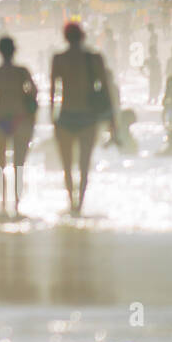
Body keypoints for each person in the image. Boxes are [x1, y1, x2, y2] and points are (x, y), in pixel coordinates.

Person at [49, 23, 114, 216]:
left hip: (66, 115)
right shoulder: (94, 58)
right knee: (84, 165)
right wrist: (112, 120)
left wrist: (53, 118)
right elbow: (105, 90)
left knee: (67, 166)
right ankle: (80, 204)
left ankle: (71, 203)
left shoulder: (59, 59)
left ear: (66, 37)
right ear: (83, 36)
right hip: (88, 116)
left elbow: (53, 92)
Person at [0, 35, 37, 219]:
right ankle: (16, 202)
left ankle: (3, 201)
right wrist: (32, 118)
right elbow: (34, 93)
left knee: (0, 163)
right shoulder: (22, 72)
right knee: (19, 163)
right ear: (14, 50)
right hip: (20, 118)